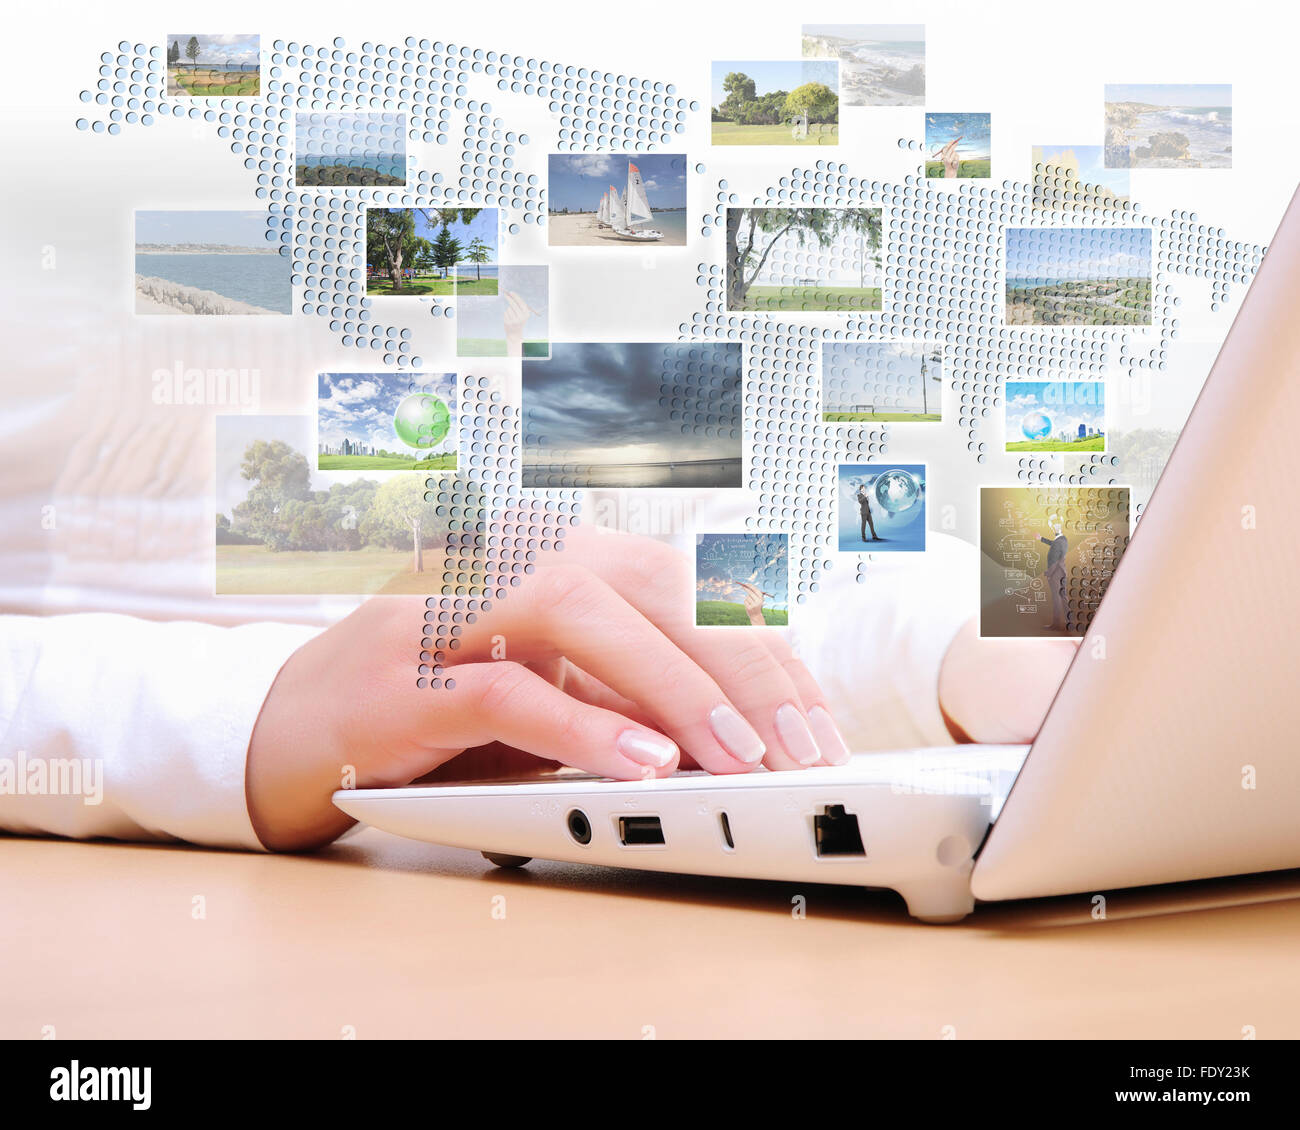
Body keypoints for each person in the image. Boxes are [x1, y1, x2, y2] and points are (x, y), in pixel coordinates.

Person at [1040, 515, 1069, 631]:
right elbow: (1054, 543)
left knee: (1057, 599)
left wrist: (1048, 573)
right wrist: (1041, 538)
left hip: (1055, 574)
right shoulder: (1062, 540)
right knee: (1063, 597)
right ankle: (1069, 622)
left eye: (1057, 525)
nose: (1055, 528)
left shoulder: (1059, 541)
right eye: (1054, 526)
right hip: (1062, 572)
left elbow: (1055, 561)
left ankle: (1056, 624)